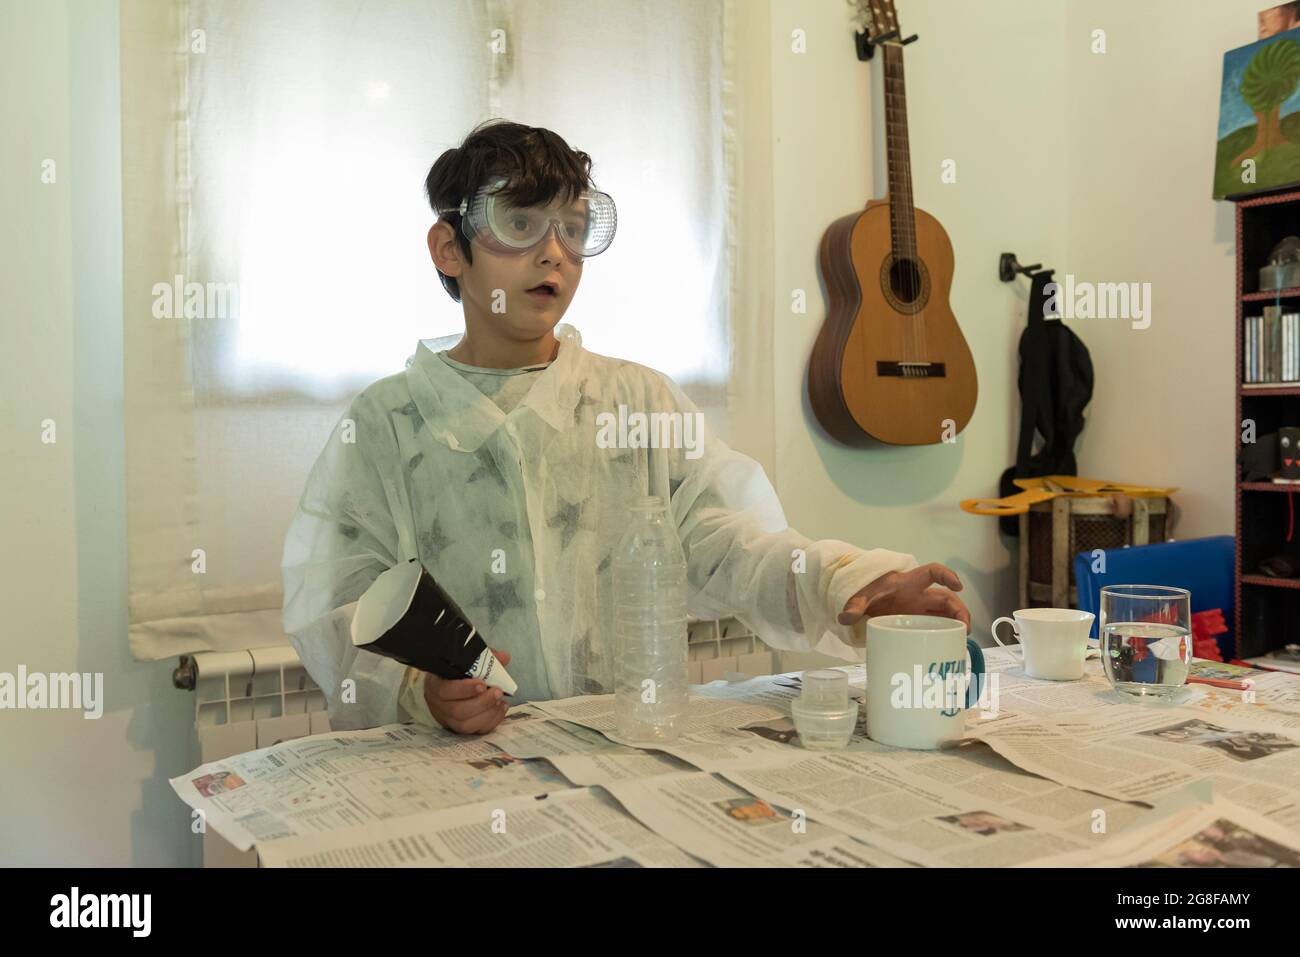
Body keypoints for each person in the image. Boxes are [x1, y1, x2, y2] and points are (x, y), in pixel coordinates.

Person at [280, 120, 971, 734]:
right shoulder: (387, 425)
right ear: (449, 247)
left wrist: (849, 585)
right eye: (521, 223)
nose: (554, 253)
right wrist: (418, 694)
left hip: (622, 752)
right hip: (454, 770)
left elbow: (732, 542)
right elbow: (339, 610)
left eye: (574, 230)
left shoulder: (637, 403)